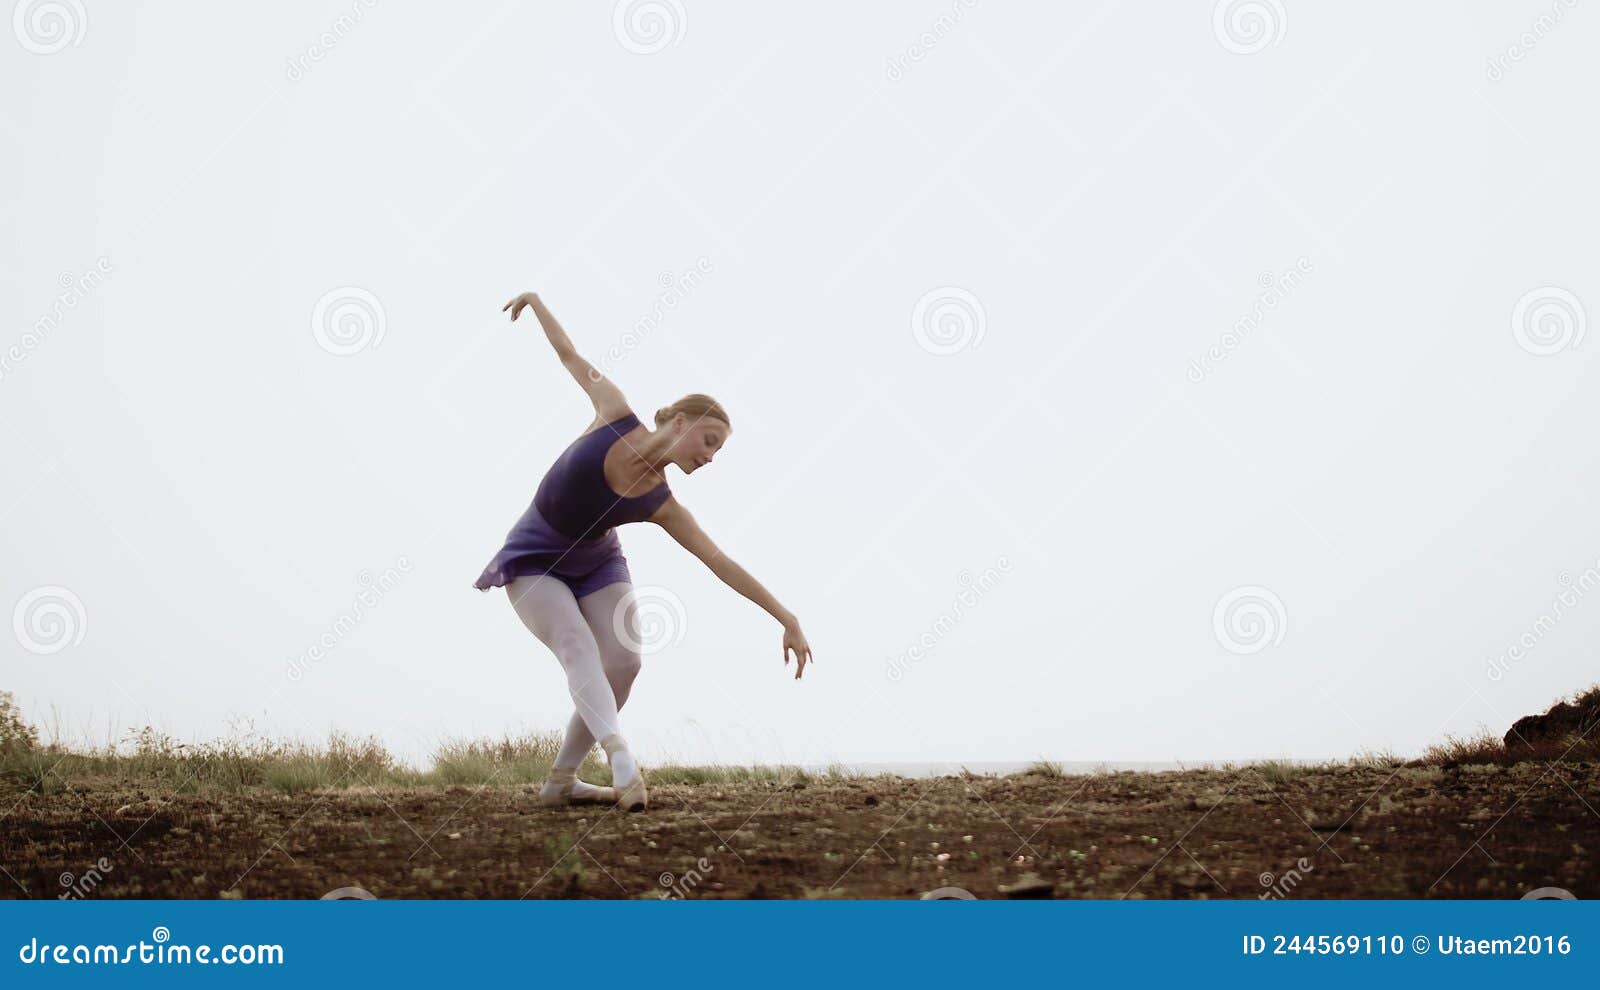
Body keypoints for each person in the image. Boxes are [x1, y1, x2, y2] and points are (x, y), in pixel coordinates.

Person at [473, 292, 814, 813]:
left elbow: (719, 561)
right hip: (535, 557)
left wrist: (785, 615)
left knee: (626, 660)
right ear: (679, 420)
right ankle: (618, 756)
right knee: (575, 644)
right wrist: (539, 304)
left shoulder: (663, 504)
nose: (710, 455)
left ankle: (561, 781)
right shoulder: (613, 412)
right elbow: (569, 355)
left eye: (719, 450)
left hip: (598, 562)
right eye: (709, 439)